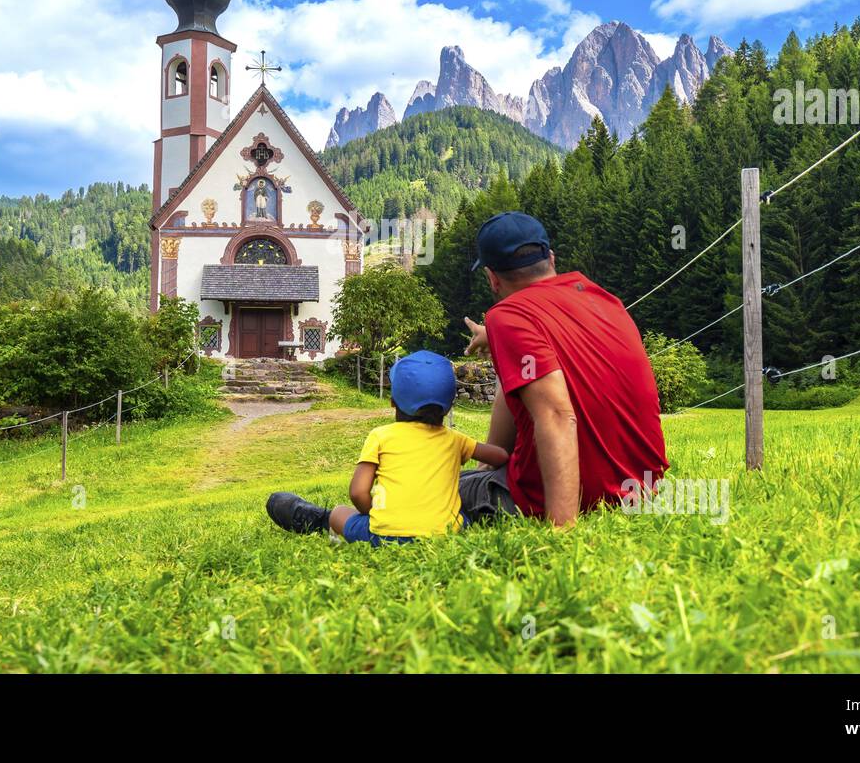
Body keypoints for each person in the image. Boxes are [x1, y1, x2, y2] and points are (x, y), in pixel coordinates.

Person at [458, 211, 668, 528]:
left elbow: (557, 416)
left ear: (492, 278)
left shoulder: (507, 316)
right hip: (642, 490)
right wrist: (496, 338)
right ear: (551, 259)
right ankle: (490, 467)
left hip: (571, 496)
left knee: (429, 487)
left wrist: (562, 530)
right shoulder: (602, 298)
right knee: (521, 377)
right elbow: (569, 339)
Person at [265, 351, 509, 546]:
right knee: (459, 515)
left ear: (393, 401)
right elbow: (500, 455)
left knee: (340, 512)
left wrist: (371, 515)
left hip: (384, 535)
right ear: (448, 406)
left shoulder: (380, 436)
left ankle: (323, 524)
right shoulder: (456, 439)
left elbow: (358, 493)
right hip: (445, 534)